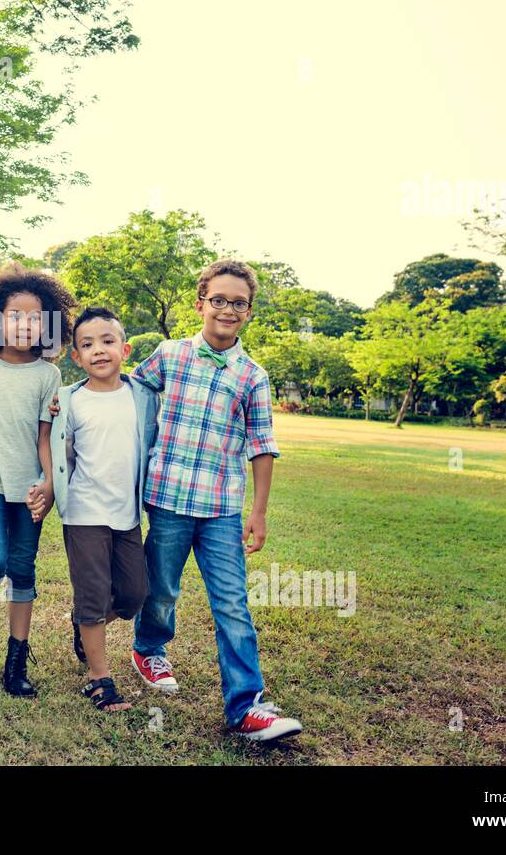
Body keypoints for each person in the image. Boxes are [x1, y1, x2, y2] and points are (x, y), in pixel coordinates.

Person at [128, 259, 303, 741]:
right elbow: (128, 391)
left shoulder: (253, 375)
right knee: (162, 589)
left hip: (222, 508)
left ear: (248, 312)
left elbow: (262, 444)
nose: (228, 309)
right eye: (219, 300)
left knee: (231, 604)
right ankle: (148, 648)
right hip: (166, 499)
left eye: (239, 303)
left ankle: (246, 707)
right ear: (201, 302)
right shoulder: (170, 354)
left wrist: (259, 511)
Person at [0, 262, 73, 697]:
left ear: (48, 325)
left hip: (29, 488)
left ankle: (16, 661)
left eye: (35, 317)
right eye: (15, 315)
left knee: (22, 569)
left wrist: (48, 482)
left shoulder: (48, 375)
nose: (25, 324)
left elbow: (45, 436)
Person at [28, 306, 156, 711]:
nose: (98, 350)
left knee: (134, 594)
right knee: (92, 595)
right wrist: (47, 485)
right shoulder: (68, 399)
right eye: (87, 345)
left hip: (128, 514)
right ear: (76, 356)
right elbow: (50, 445)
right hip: (84, 512)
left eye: (107, 341)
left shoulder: (144, 396)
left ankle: (83, 623)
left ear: (125, 348)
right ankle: (99, 680)